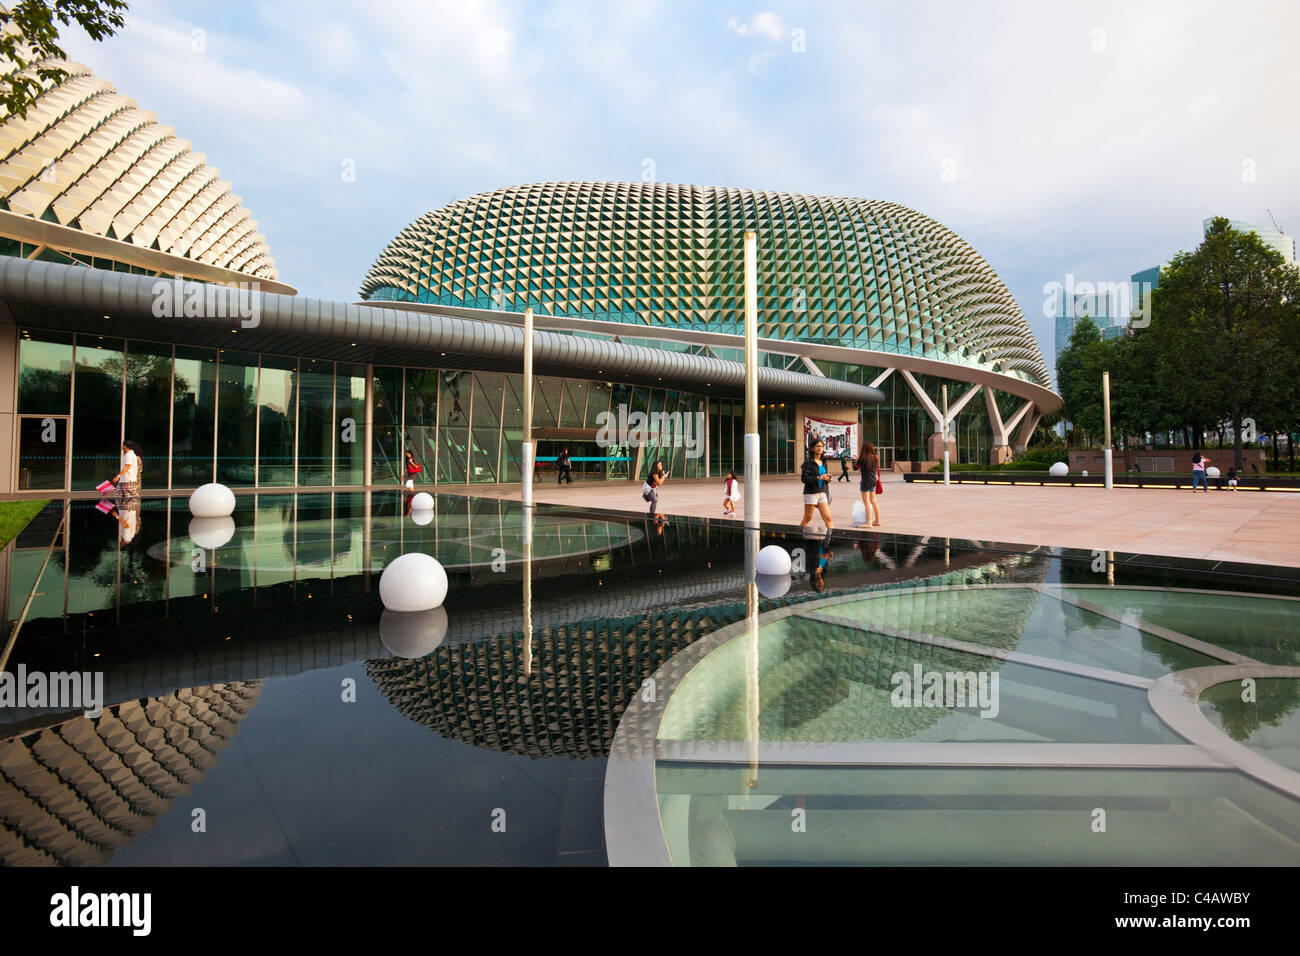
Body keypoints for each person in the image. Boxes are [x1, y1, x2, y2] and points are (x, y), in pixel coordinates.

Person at [799, 438, 834, 535]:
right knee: (808, 518)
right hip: (811, 493)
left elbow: (823, 477)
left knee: (828, 518)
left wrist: (827, 479)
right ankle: (798, 535)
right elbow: (804, 479)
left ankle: (831, 540)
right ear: (812, 448)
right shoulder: (808, 462)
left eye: (821, 446)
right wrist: (819, 477)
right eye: (817, 446)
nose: (820, 448)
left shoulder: (824, 461)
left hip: (822, 492)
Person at [854, 440, 882, 527]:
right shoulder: (875, 457)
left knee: (866, 502)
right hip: (873, 481)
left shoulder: (862, 458)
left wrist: (855, 460)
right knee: (874, 501)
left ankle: (868, 522)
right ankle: (878, 520)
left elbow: (855, 468)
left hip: (865, 482)